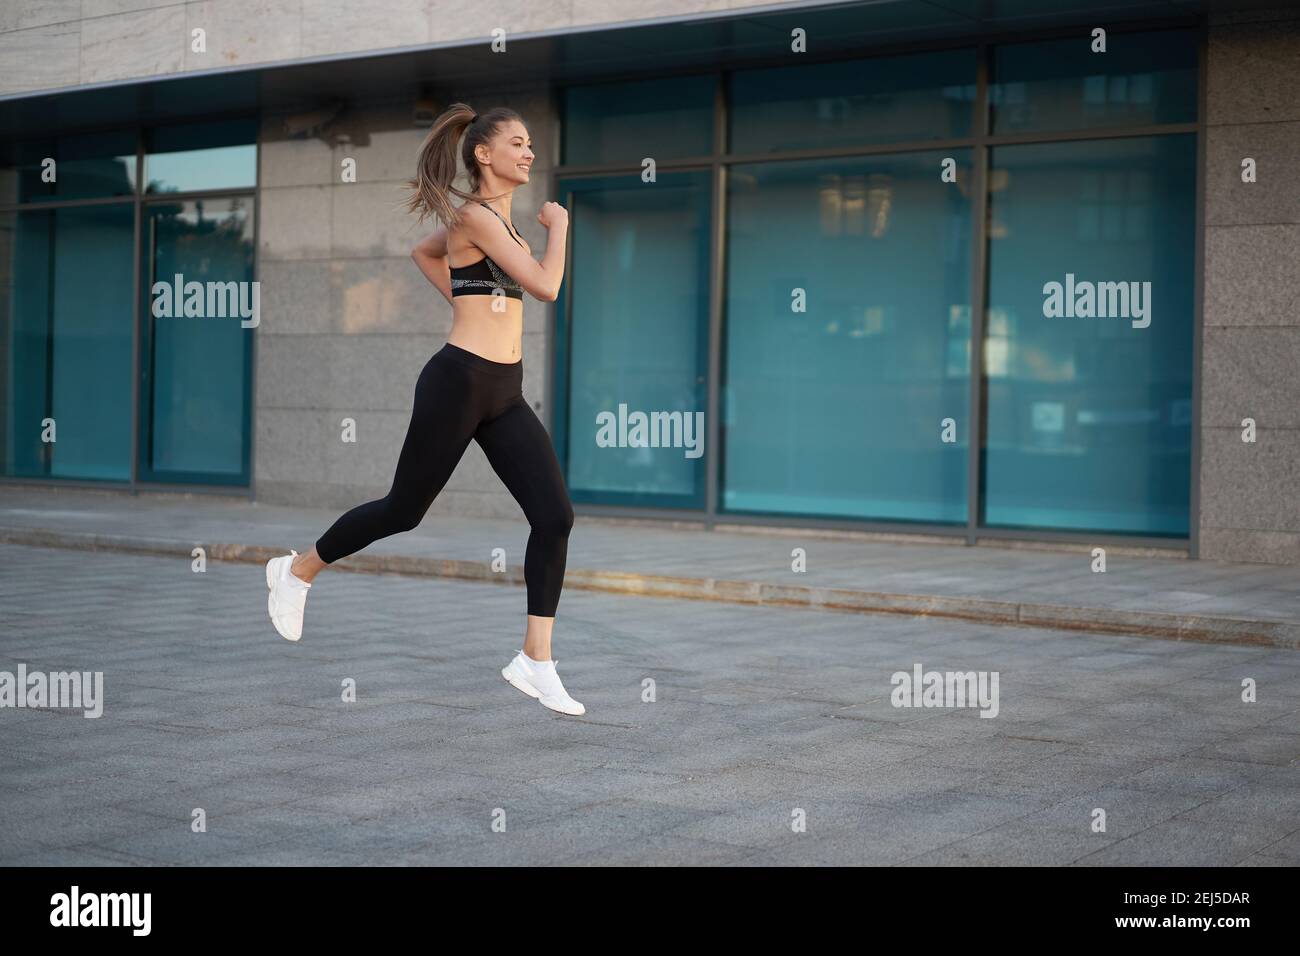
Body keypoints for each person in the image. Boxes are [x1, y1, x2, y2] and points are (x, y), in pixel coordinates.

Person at [265, 103, 583, 716]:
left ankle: (535, 659)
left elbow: (424, 253)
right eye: (518, 143)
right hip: (458, 383)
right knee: (403, 510)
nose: (530, 153)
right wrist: (561, 226)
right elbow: (546, 287)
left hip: (504, 390)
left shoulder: (496, 225)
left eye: (531, 145)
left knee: (554, 516)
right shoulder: (477, 217)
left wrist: (463, 303)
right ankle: (297, 570)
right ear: (484, 154)